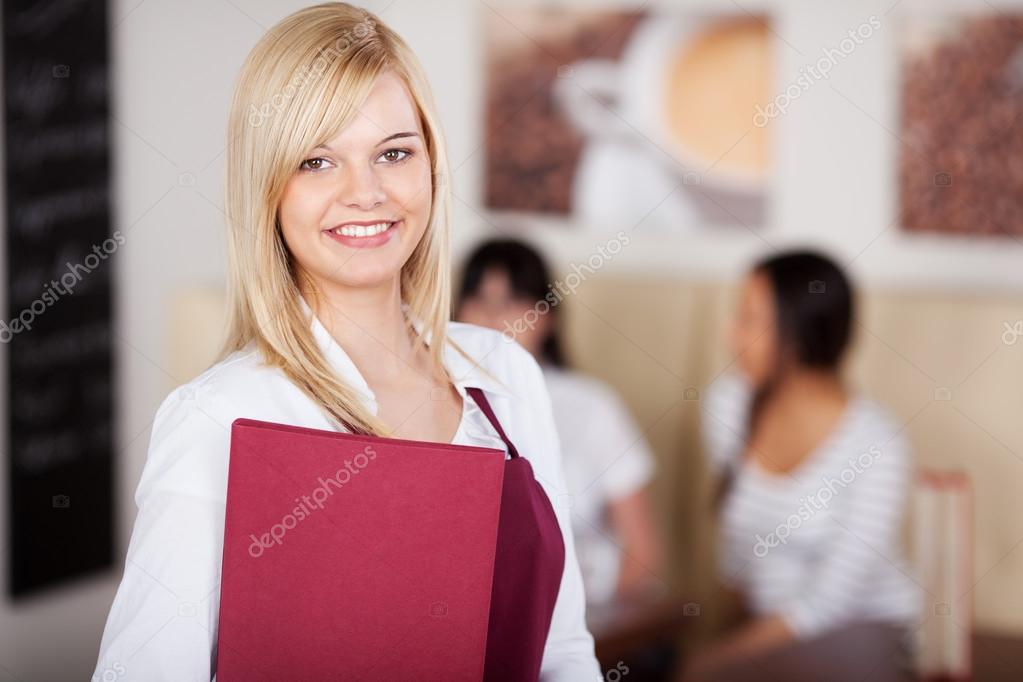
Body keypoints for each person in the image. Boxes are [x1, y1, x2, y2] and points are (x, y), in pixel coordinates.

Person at [92, 4, 600, 680]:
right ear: (266, 188)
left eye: (393, 152)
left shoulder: (505, 373)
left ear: (430, 165)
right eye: (317, 160)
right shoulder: (219, 416)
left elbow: (562, 653)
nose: (366, 192)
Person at [684, 250, 920, 679]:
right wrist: (717, 641)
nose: (730, 332)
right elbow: (735, 555)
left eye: (748, 319)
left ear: (799, 334)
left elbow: (829, 603)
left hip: (867, 634)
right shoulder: (727, 404)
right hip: (773, 638)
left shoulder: (878, 443)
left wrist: (717, 660)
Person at [456, 239, 665, 606]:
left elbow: (643, 557)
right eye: (480, 302)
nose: (493, 320)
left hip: (584, 609)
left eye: (510, 304)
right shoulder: (439, 402)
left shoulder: (592, 406)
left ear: (547, 317)